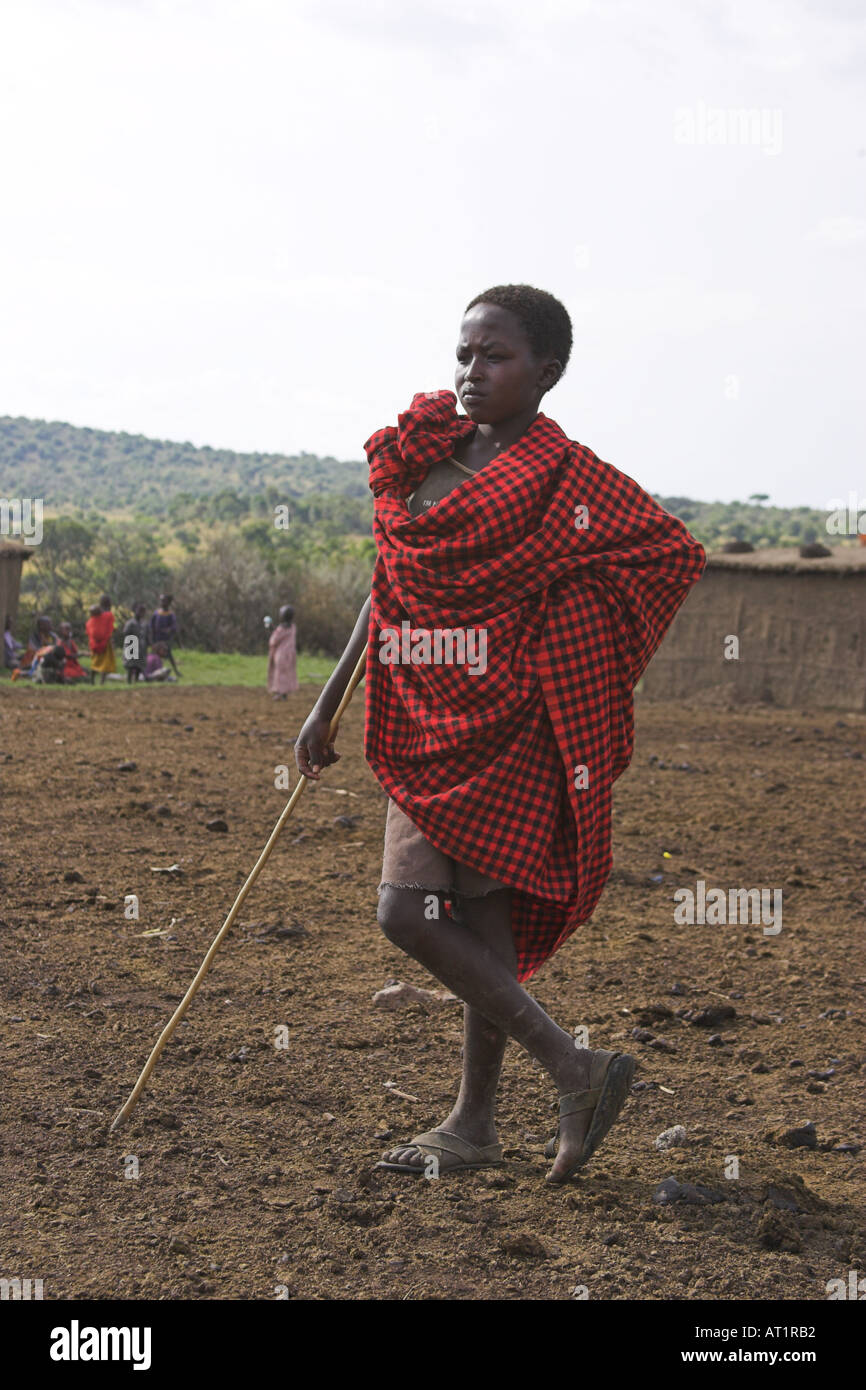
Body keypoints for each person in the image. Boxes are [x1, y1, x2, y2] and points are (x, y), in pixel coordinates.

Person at [294, 284, 705, 1184]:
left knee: (474, 923)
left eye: (496, 356)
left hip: (513, 724)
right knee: (412, 911)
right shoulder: (426, 453)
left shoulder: (567, 478)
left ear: (546, 372)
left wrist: (568, 643)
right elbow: (389, 583)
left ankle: (478, 1121)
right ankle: (569, 1071)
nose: (472, 372)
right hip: (418, 715)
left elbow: (667, 553)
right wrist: (328, 701)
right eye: (464, 355)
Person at [267, 604, 298, 699]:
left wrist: (271, 630)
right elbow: (283, 631)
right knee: (287, 673)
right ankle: (285, 692)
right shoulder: (293, 627)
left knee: (279, 673)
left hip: (281, 655)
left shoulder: (280, 629)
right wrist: (275, 629)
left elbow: (274, 640)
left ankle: (280, 692)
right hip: (291, 655)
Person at [86, 596, 116, 685]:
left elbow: (90, 627)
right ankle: (102, 683)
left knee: (95, 662)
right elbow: (111, 628)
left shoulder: (94, 615)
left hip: (94, 643)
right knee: (105, 664)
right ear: (108, 603)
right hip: (105, 643)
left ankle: (92, 681)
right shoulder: (108, 615)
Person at [149, 594, 180, 676]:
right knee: (153, 655)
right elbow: (151, 624)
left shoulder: (170, 614)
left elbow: (174, 626)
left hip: (165, 639)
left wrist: (169, 630)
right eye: (161, 601)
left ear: (168, 603)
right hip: (157, 638)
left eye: (164, 601)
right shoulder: (156, 613)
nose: (162, 602)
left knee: (169, 655)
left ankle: (176, 671)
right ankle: (152, 670)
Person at [122, 604, 149, 683]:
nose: (141, 613)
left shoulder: (144, 623)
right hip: (132, 645)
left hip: (141, 646)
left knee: (139, 665)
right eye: (139, 611)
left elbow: (147, 634)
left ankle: (136, 681)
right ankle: (129, 681)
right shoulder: (130, 623)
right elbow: (125, 633)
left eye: (143, 612)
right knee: (131, 665)